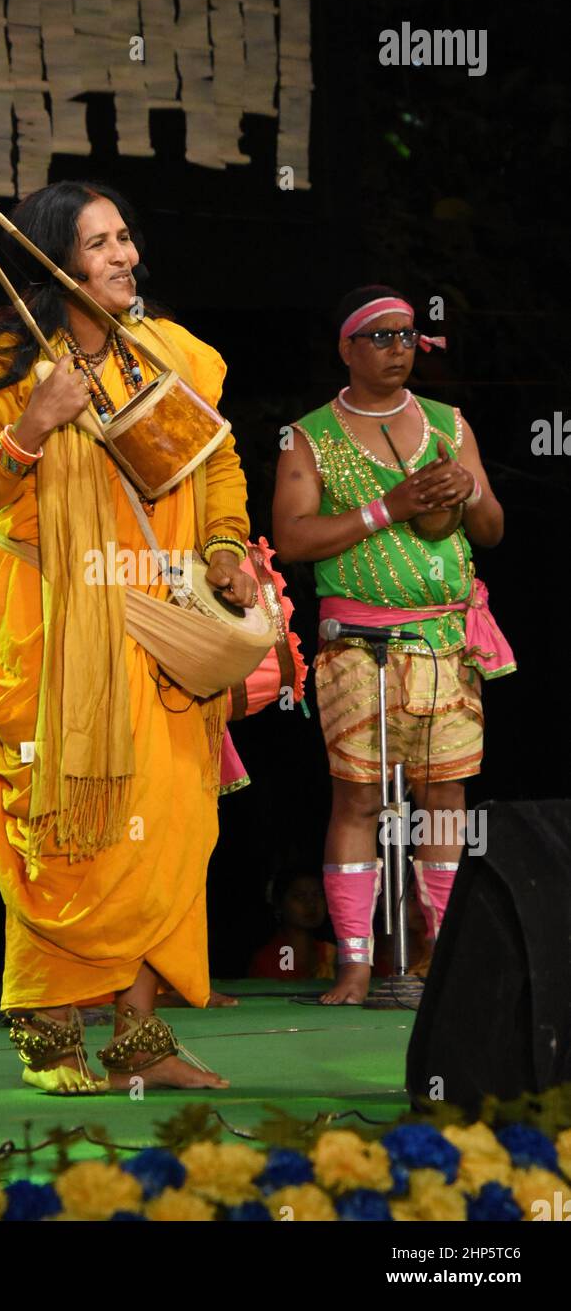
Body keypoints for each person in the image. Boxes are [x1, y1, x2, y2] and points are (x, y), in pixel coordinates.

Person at [0, 181, 256, 1093]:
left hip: (157, 621)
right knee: (68, 831)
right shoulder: (3, 363)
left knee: (171, 822)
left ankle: (138, 1035)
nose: (124, 257)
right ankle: (47, 1032)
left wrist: (226, 544)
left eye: (125, 238)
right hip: (46, 629)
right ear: (52, 261)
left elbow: (219, 456)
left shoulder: (167, 355)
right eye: (101, 243)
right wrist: (30, 430)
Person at [273, 286, 515, 1005]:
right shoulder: (307, 435)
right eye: (380, 338)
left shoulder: (449, 424)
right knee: (358, 802)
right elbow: (291, 539)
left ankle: (440, 953)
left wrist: (469, 490)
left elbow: (493, 532)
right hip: (357, 645)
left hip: (447, 640)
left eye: (408, 337)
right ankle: (354, 964)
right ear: (346, 348)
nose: (398, 350)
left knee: (444, 800)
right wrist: (391, 508)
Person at [249, 864, 335, 982]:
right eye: (300, 897)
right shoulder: (267, 959)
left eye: (318, 895)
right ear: (279, 904)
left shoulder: (331, 953)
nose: (311, 904)